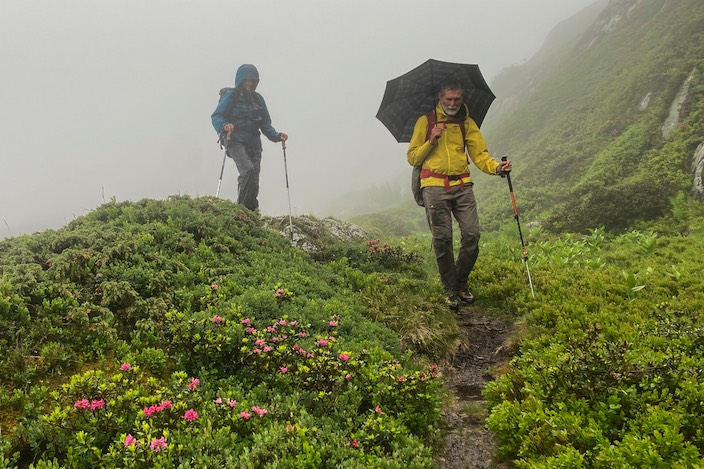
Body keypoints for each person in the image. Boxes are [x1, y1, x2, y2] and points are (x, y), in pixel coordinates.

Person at [407, 80, 511, 311]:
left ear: (462, 98)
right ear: (440, 98)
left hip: (463, 185)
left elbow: (480, 154)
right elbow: (413, 157)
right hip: (433, 186)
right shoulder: (425, 122)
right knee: (442, 240)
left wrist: (497, 168)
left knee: (472, 235)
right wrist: (431, 140)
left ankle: (461, 282)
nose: (453, 103)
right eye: (448, 99)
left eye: (457, 99)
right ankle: (450, 288)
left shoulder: (467, 122)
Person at [211, 64, 288, 211]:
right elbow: (216, 116)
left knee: (254, 179)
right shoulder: (231, 96)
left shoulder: (258, 99)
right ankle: (242, 212)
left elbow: (265, 124)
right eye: (248, 80)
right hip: (234, 140)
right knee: (247, 170)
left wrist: (277, 136)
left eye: (253, 81)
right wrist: (224, 125)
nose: (250, 83)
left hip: (254, 142)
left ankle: (251, 211)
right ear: (241, 80)